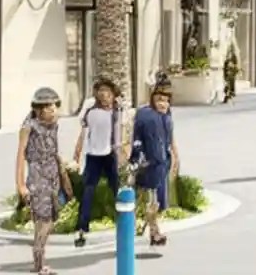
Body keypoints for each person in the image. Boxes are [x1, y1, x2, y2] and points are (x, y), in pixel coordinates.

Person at [15, 87, 73, 275]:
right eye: (49, 107)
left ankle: (38, 259)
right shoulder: (28, 126)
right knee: (44, 219)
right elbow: (20, 155)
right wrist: (20, 185)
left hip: (53, 173)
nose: (53, 111)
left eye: (55, 106)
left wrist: (63, 170)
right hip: (37, 175)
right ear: (39, 109)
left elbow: (55, 149)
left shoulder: (54, 124)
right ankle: (40, 261)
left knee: (50, 218)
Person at [73, 76, 122, 248]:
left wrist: (122, 155)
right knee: (88, 191)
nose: (104, 95)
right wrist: (77, 154)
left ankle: (125, 222)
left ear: (113, 94)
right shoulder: (90, 108)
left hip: (110, 154)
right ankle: (82, 228)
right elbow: (83, 130)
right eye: (101, 91)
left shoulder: (117, 110)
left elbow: (120, 133)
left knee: (118, 190)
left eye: (107, 92)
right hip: (93, 155)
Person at [132, 81, 178, 246]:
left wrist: (175, 157)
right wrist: (138, 159)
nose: (163, 104)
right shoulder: (146, 116)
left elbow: (170, 140)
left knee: (155, 201)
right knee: (152, 200)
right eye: (159, 100)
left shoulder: (166, 118)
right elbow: (136, 139)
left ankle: (149, 228)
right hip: (149, 165)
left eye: (166, 101)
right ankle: (154, 231)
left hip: (162, 164)